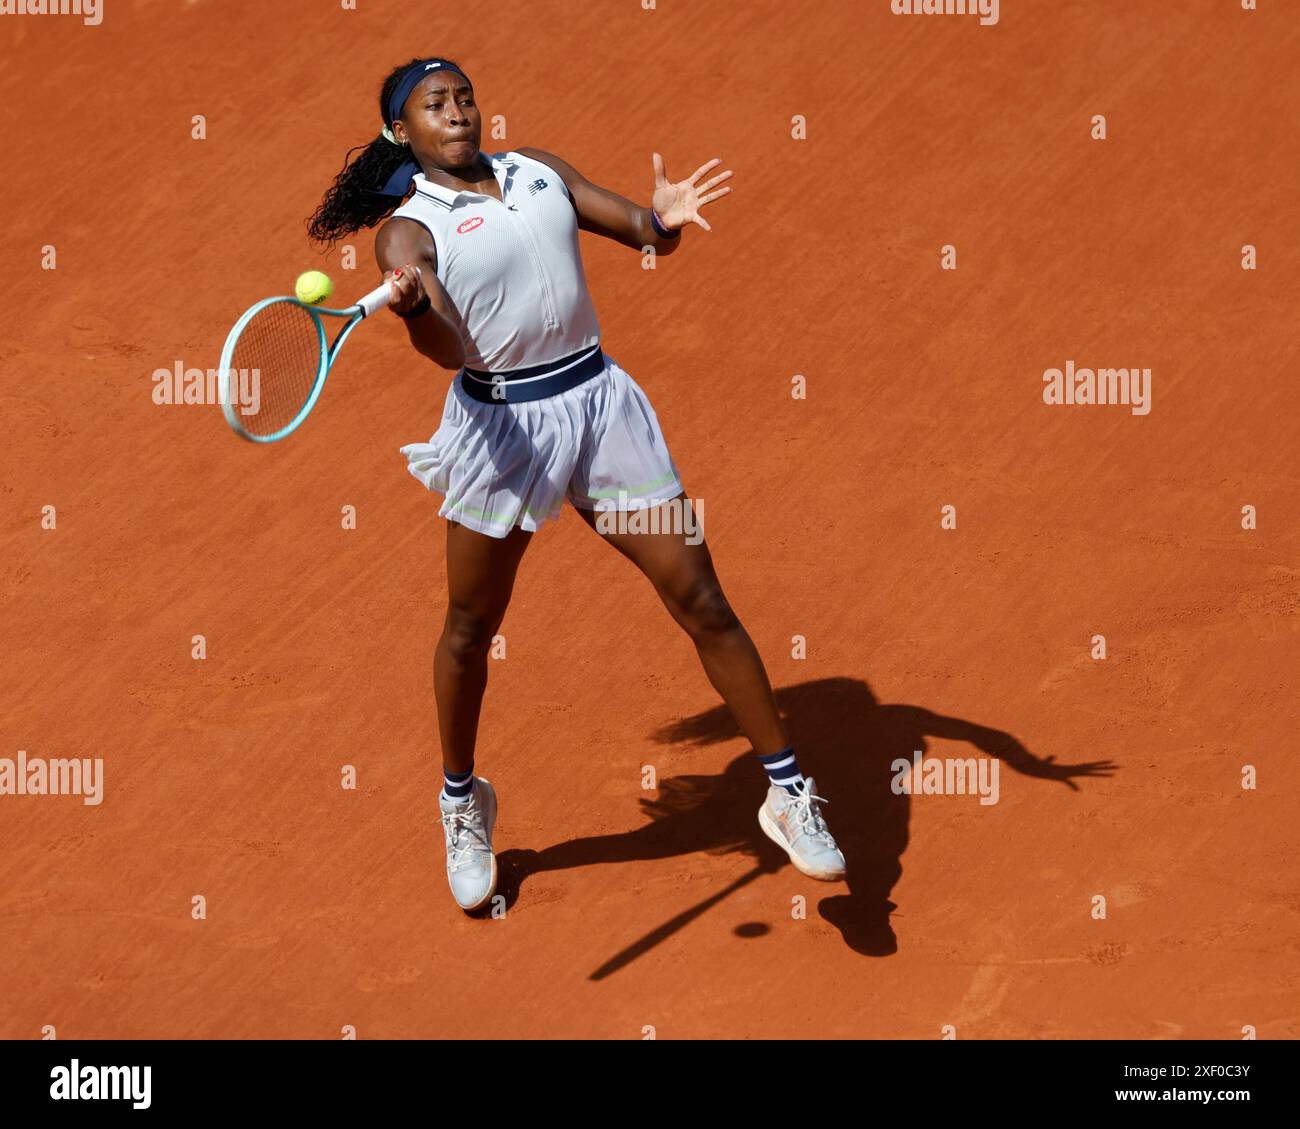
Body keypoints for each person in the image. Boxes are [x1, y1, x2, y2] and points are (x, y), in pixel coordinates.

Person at [307, 56, 846, 912]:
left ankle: (787, 791)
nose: (458, 114)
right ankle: (461, 801)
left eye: (464, 97)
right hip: (502, 430)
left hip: (600, 408)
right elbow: (449, 349)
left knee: (701, 596)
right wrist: (414, 305)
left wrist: (661, 221)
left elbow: (639, 227)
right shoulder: (407, 235)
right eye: (434, 105)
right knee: (470, 627)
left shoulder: (538, 172)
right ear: (401, 132)